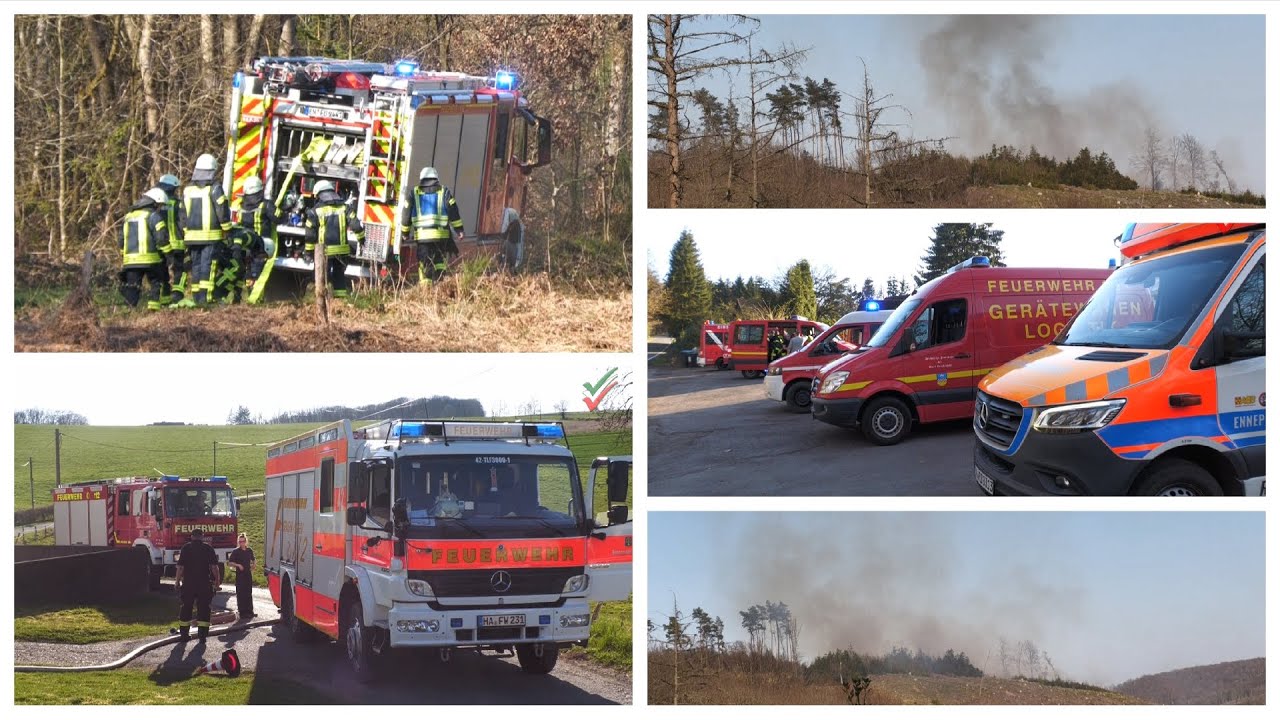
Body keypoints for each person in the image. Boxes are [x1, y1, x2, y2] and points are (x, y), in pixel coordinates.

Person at [176, 154, 232, 306]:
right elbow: (222, 211)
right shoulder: (215, 189)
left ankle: (196, 297)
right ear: (213, 170)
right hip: (211, 237)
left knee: (196, 267)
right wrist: (227, 230)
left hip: (192, 238)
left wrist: (185, 233)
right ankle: (205, 298)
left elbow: (181, 215)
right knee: (208, 266)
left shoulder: (187, 190)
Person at [400, 166, 464, 283]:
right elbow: (453, 210)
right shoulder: (444, 192)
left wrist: (405, 233)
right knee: (439, 261)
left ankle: (426, 292)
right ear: (436, 178)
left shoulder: (414, 193)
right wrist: (459, 230)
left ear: (421, 179)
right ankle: (439, 285)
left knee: (425, 263)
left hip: (423, 238)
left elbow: (406, 213)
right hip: (441, 237)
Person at [305, 180, 364, 299]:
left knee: (322, 277)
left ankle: (320, 300)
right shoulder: (345, 208)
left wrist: (309, 252)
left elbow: (310, 235)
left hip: (324, 252)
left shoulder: (314, 211)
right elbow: (356, 226)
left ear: (319, 194)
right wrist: (362, 240)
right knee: (339, 276)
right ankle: (339, 302)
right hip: (341, 252)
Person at [118, 187, 171, 311]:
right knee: (156, 283)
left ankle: (129, 311)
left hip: (131, 261)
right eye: (160, 205)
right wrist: (168, 253)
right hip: (151, 260)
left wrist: (123, 254)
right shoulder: (153, 216)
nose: (160, 208)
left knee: (132, 286)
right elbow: (161, 238)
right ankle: (154, 310)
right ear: (155, 203)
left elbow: (121, 238)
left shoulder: (128, 217)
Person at [230, 177, 274, 304]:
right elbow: (278, 217)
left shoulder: (240, 205)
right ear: (260, 190)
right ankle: (255, 297)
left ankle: (238, 297)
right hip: (260, 245)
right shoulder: (265, 205)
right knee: (257, 270)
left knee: (242, 270)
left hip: (244, 244)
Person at [174, 528, 221, 641]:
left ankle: (184, 635)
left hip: (188, 583)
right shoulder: (208, 548)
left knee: (186, 607)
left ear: (192, 536)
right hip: (204, 583)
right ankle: (202, 636)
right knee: (204, 609)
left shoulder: (186, 548)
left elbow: (180, 568)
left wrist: (177, 582)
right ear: (202, 536)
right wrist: (217, 582)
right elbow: (214, 568)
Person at [155, 174, 187, 305]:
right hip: (177, 244)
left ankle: (164, 297)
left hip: (161, 245)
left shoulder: (156, 204)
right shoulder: (178, 204)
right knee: (179, 270)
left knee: (162, 271)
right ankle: (177, 295)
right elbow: (183, 223)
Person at [227, 532, 256, 620]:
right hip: (240, 575)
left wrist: (254, 565)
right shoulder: (236, 551)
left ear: (246, 541)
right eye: (240, 542)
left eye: (243, 541)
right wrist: (238, 565)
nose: (241, 543)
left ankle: (250, 611)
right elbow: (230, 563)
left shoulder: (249, 550)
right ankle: (242, 612)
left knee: (248, 592)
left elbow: (253, 559)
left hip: (248, 574)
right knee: (240, 593)